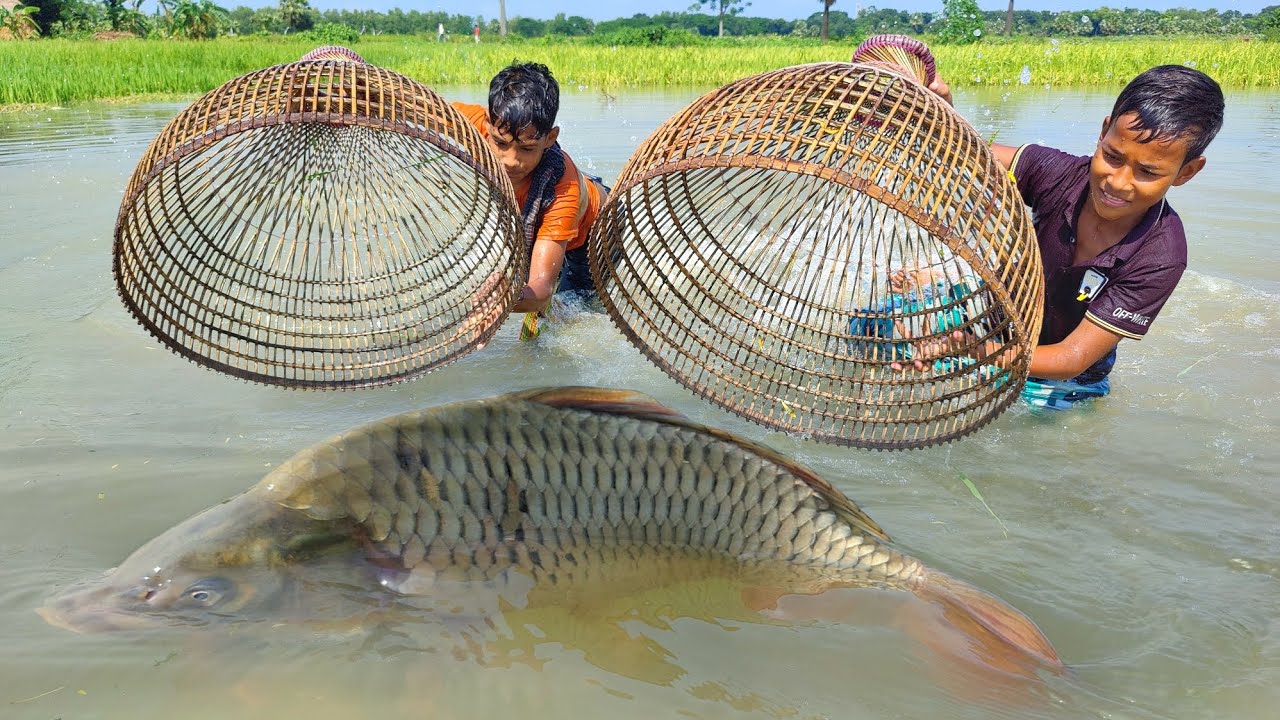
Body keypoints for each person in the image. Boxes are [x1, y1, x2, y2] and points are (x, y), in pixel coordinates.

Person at [906, 65, 1224, 410]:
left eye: (1147, 172)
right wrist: (941, 109)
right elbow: (964, 152)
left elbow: (1071, 359)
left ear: (1187, 171)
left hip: (1063, 379)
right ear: (1103, 133)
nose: (1117, 182)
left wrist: (975, 352)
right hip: (995, 326)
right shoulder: (1059, 174)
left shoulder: (1161, 256)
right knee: (875, 329)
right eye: (1113, 157)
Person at [451, 62, 608, 338]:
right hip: (548, 216)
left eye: (526, 148)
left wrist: (501, 301)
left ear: (550, 138)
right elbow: (415, 104)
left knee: (566, 320)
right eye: (500, 144)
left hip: (591, 238)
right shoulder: (480, 125)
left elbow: (540, 292)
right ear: (488, 125)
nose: (511, 161)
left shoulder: (564, 191)